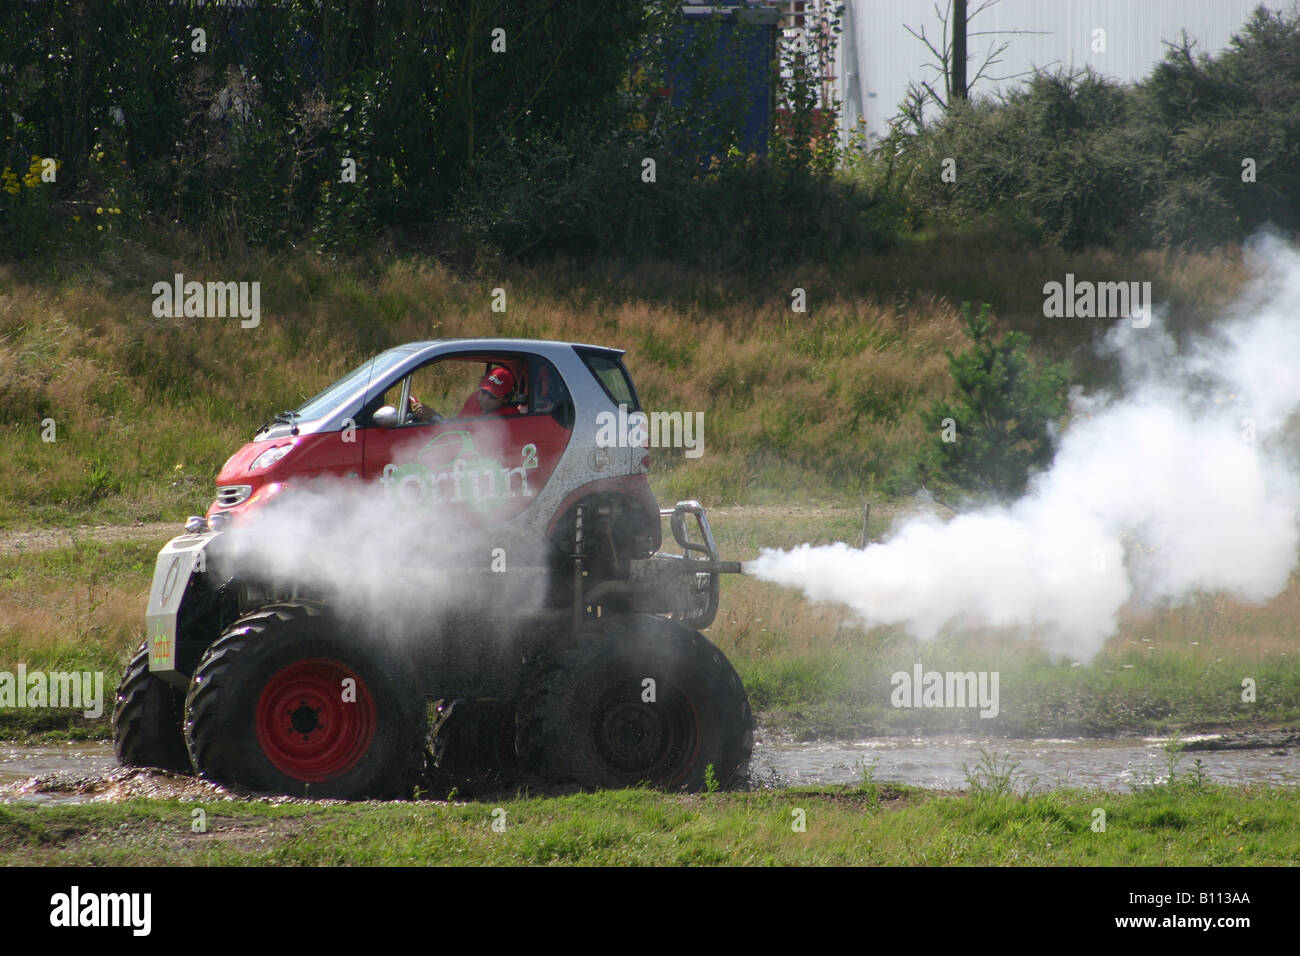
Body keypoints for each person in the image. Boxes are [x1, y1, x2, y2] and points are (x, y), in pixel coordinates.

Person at [408, 366, 520, 422]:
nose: (485, 399)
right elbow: (457, 424)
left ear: (505, 399)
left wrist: (435, 417)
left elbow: (463, 436)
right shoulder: (474, 399)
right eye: (484, 391)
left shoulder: (508, 418)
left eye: (492, 396)